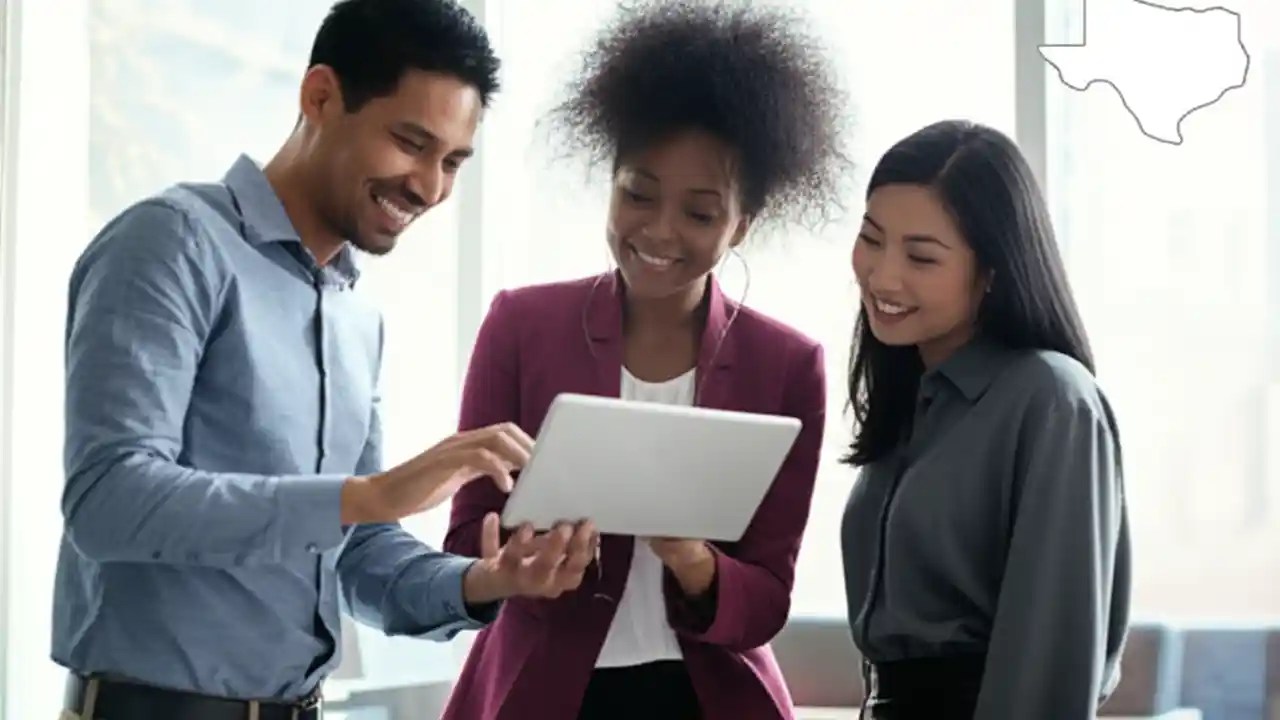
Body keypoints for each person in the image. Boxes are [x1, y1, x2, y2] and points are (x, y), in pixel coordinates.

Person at [53, 2, 596, 719]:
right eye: (411, 141)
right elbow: (108, 502)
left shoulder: (354, 318)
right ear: (320, 97)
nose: (430, 186)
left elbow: (359, 553)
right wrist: (367, 496)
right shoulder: (172, 243)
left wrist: (485, 581)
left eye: (453, 161)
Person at [438, 2, 851, 719]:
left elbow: (768, 599)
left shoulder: (787, 365)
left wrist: (694, 562)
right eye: (638, 194)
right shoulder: (521, 325)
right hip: (543, 691)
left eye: (699, 213)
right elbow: (463, 540)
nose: (660, 231)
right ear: (611, 183)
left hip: (704, 699)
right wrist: (514, 569)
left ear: (741, 224)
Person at [840, 119, 1132, 719]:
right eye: (872, 239)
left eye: (921, 256)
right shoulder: (911, 404)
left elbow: (1051, 659)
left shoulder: (1052, 398)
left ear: (993, 271)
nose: (882, 276)